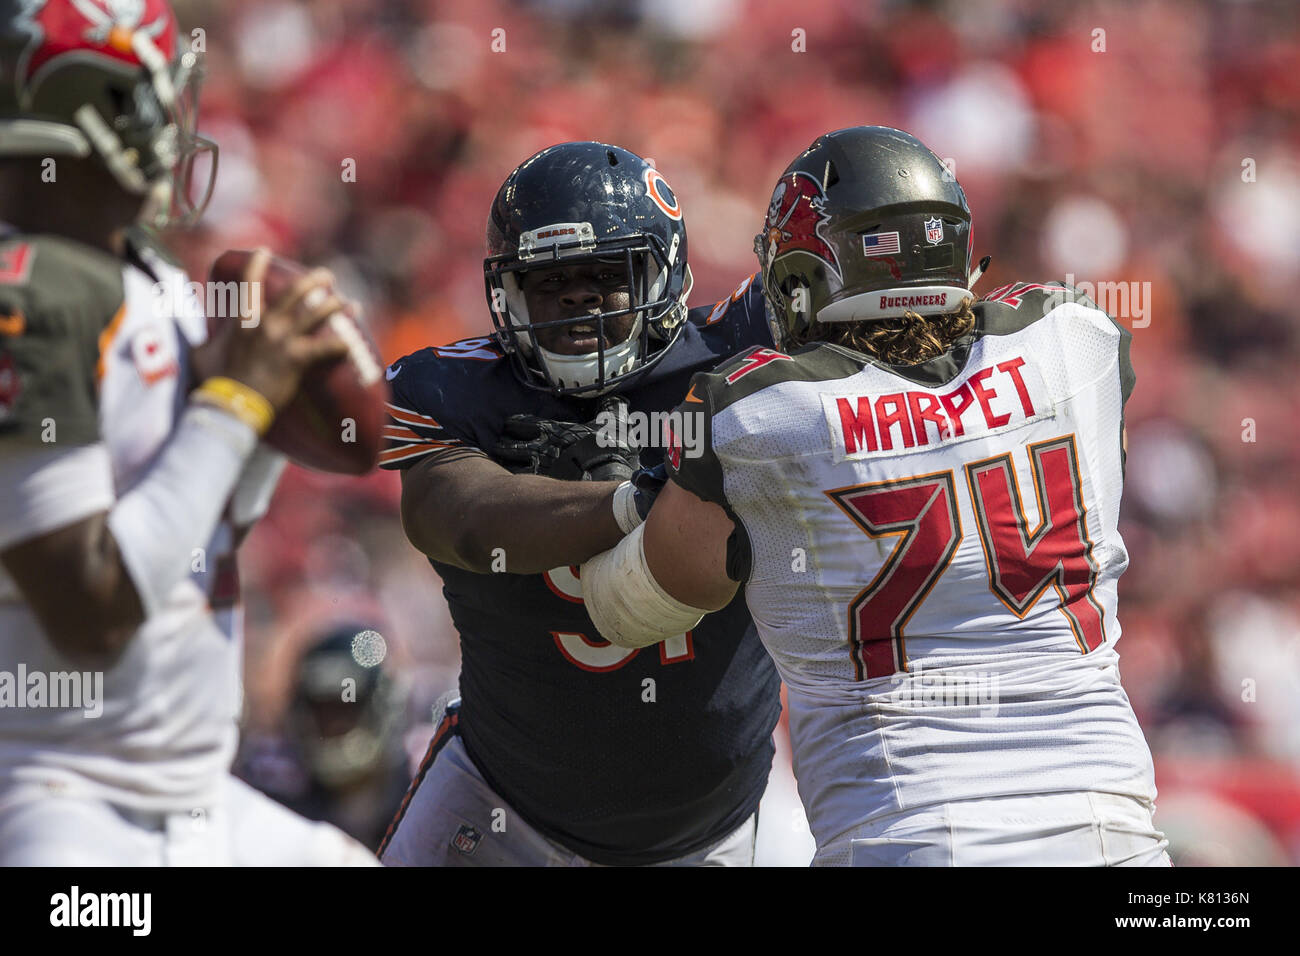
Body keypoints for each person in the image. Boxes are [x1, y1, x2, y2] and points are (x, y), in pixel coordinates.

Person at [580, 126, 1171, 867]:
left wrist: (620, 497)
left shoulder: (756, 414)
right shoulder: (1074, 339)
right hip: (1114, 828)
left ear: (808, 275)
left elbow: (633, 605)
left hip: (912, 830)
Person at [0, 0, 374, 865]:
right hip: (61, 795)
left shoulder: (144, 278)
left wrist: (260, 439)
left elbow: (197, 540)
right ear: (108, 109)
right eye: (162, 94)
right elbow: (90, 609)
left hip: (194, 794)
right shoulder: (32, 296)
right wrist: (236, 405)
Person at [378, 141, 781, 866]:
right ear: (507, 291)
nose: (577, 297)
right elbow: (461, 518)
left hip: (720, 829)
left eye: (605, 275)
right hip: (502, 807)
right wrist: (635, 503)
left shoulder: (742, 358)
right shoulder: (451, 391)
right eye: (549, 280)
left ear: (664, 276)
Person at [237, 624, 413, 852]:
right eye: (322, 712)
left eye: (345, 711)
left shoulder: (423, 796)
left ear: (384, 706)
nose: (333, 724)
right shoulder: (274, 797)